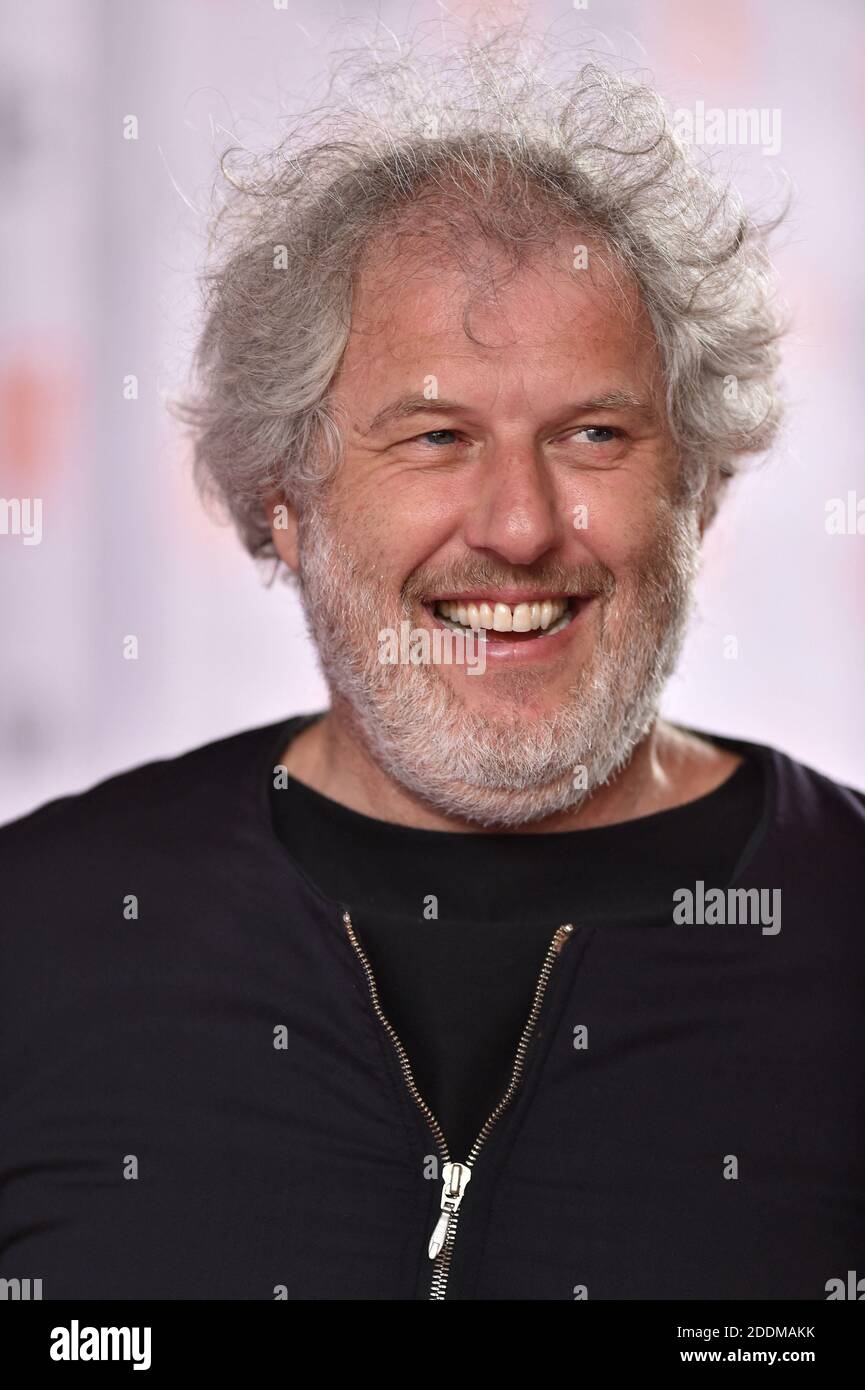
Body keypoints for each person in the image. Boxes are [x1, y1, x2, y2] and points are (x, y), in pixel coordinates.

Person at [1, 41, 863, 1302]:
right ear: (284, 499)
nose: (518, 524)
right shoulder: (39, 933)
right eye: (435, 436)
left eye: (591, 433)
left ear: (700, 484)